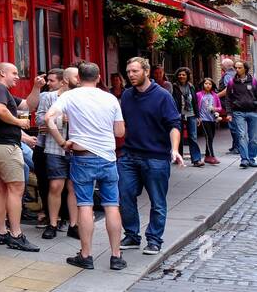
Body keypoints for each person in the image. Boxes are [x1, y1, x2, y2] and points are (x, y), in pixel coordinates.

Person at [45, 62, 127, 271]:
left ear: (79, 79)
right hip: (108, 158)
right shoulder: (110, 98)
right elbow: (119, 132)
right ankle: (116, 256)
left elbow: (48, 118)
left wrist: (62, 142)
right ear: (99, 77)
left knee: (85, 205)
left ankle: (86, 254)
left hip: (82, 157)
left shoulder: (70, 96)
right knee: (111, 206)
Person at [119, 57, 184, 257]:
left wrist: (174, 149)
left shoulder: (163, 96)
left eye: (135, 71)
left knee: (157, 200)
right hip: (129, 155)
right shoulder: (127, 95)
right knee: (124, 194)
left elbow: (174, 125)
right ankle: (132, 234)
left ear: (146, 72)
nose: (130, 75)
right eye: (128, 71)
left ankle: (154, 239)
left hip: (156, 157)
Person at [0, 63, 40, 252]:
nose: (17, 76)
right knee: (16, 188)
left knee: (2, 187)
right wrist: (18, 122)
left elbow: (28, 105)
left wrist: (37, 87)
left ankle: (1, 231)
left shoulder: (0, 90)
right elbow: (0, 110)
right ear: (1, 73)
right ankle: (16, 235)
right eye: (14, 73)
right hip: (5, 146)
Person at [33, 68, 71, 239]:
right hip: (52, 147)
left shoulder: (78, 96)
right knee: (52, 185)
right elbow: (40, 119)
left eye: (52, 80)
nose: (48, 83)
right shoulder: (47, 97)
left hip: (76, 146)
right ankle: (52, 221)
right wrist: (59, 119)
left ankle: (72, 222)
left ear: (64, 81)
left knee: (72, 187)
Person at [220, 59, 257, 167]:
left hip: (253, 112)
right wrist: (229, 113)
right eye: (236, 67)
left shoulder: (253, 81)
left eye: (240, 67)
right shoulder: (232, 82)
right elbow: (228, 98)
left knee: (253, 138)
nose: (237, 69)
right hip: (238, 112)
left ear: (245, 69)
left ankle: (251, 158)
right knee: (241, 135)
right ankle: (244, 159)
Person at [171, 67, 204, 167]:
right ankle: (178, 157)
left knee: (193, 137)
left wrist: (198, 116)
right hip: (179, 115)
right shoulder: (174, 87)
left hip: (191, 114)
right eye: (180, 75)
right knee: (178, 137)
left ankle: (196, 159)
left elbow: (194, 102)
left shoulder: (191, 87)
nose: (181, 76)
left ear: (187, 76)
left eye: (184, 75)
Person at [196, 77, 221, 165]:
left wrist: (214, 109)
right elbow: (196, 106)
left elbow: (220, 108)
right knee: (208, 137)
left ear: (212, 85)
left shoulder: (214, 95)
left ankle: (207, 156)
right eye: (206, 83)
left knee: (211, 138)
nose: (208, 85)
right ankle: (212, 156)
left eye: (210, 84)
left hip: (212, 119)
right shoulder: (198, 95)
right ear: (203, 84)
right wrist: (197, 117)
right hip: (203, 119)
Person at [220, 57, 239, 154]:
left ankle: (237, 147)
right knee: (235, 125)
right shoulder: (235, 73)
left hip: (231, 104)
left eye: (221, 65)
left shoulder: (227, 75)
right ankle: (235, 145)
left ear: (225, 66)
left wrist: (217, 96)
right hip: (236, 103)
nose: (220, 66)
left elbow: (228, 89)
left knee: (233, 126)